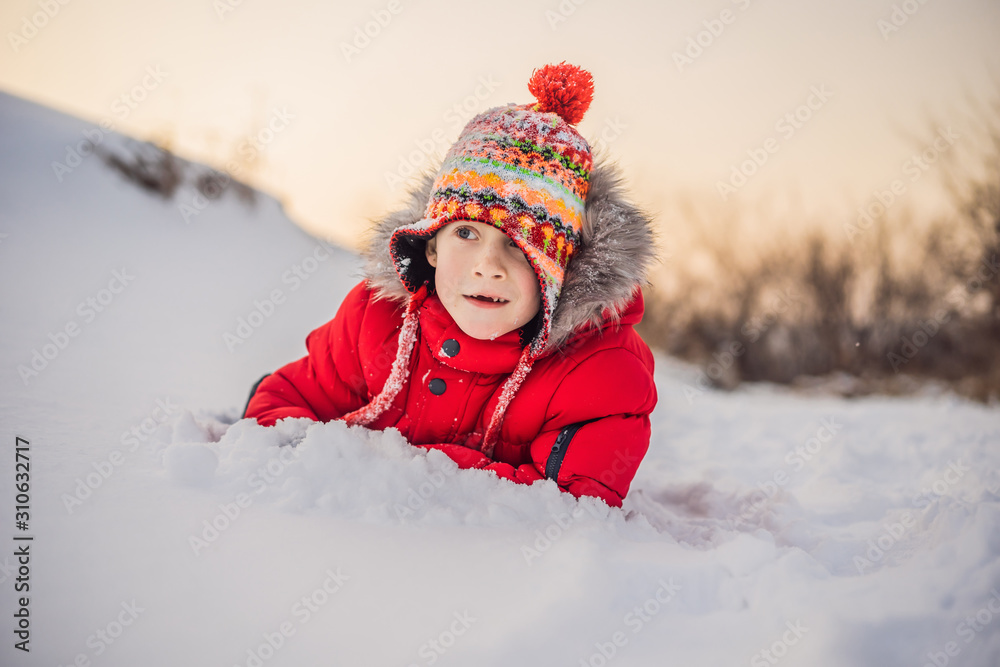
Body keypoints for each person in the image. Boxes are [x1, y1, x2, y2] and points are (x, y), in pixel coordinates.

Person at [244, 62, 658, 508]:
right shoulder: (374, 321)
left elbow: (570, 507)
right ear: (432, 248)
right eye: (465, 233)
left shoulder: (599, 372)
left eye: (520, 247)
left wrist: (405, 470)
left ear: (562, 270)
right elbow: (279, 404)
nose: (487, 266)